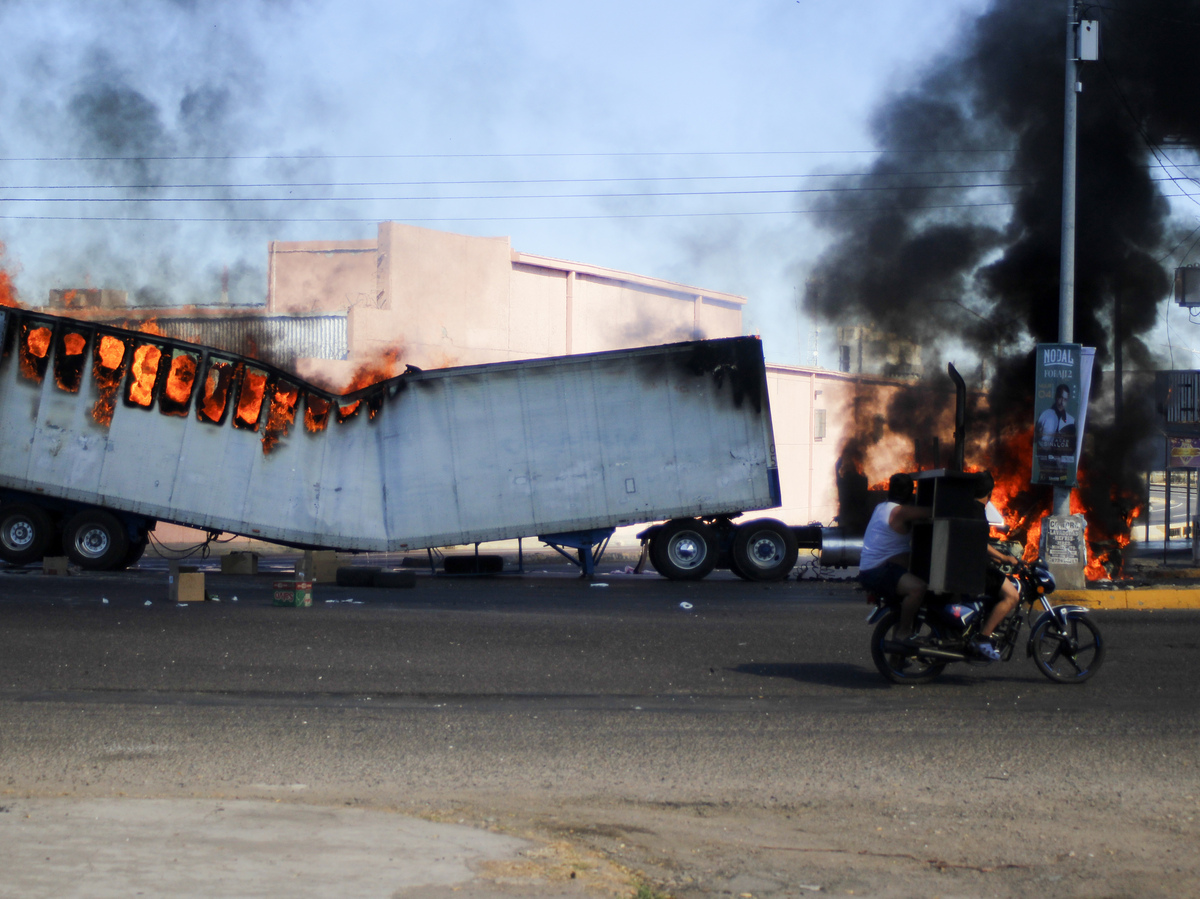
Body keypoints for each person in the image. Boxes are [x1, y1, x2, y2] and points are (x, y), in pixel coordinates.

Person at [857, 473, 931, 641]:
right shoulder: (900, 512)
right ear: (909, 493)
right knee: (917, 589)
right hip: (878, 572)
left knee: (901, 608)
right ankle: (904, 632)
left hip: (875, 570)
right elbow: (930, 512)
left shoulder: (881, 507)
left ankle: (896, 660)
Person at [971, 471, 1021, 662]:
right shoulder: (977, 512)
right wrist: (1004, 557)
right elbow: (979, 543)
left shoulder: (969, 508)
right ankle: (982, 638)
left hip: (973, 564)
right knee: (1012, 596)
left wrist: (998, 559)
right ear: (989, 493)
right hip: (976, 569)